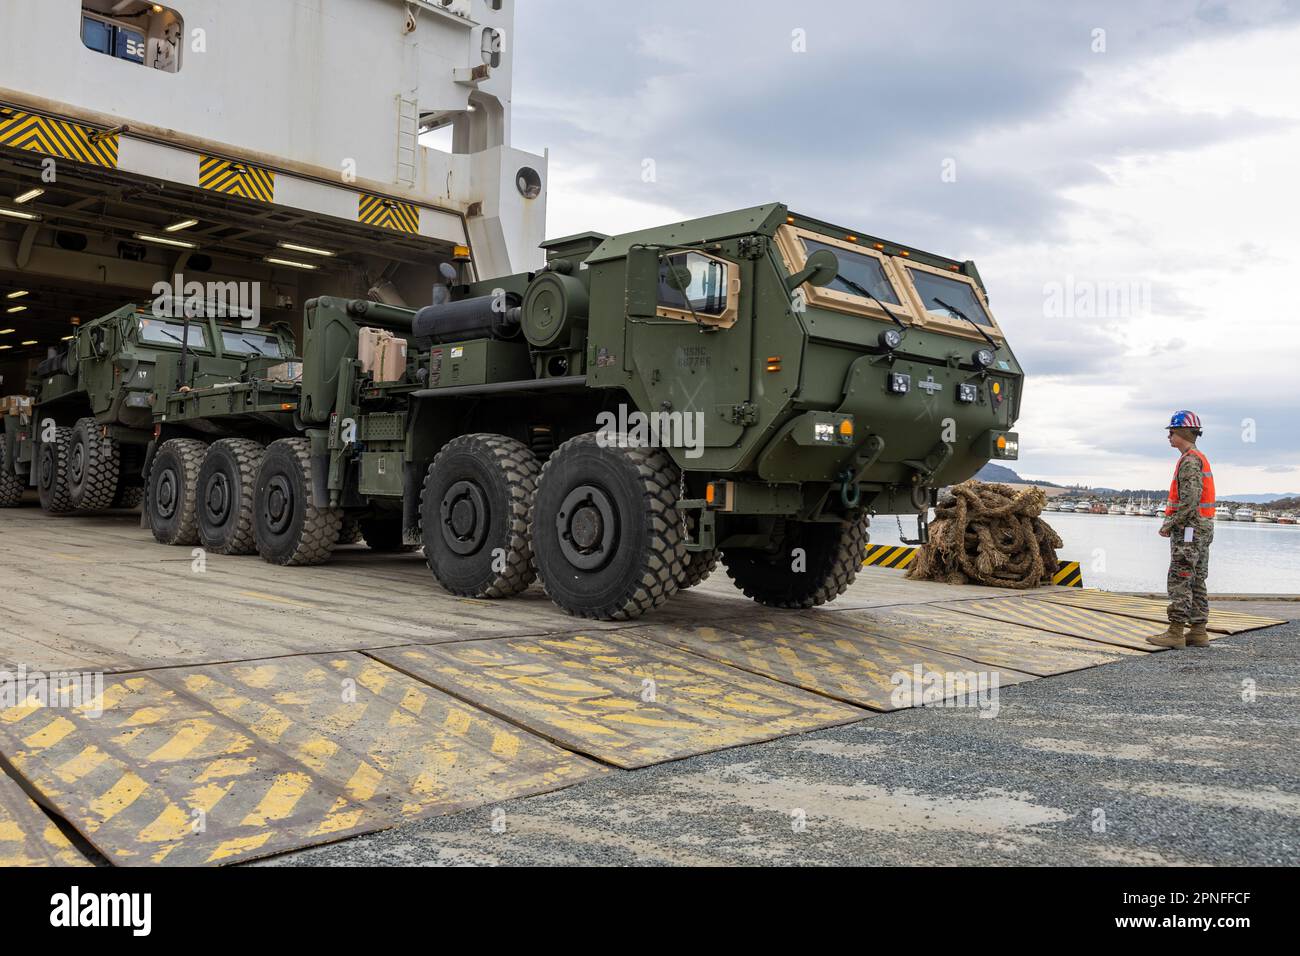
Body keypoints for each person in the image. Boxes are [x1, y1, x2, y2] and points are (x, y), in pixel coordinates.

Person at [1149, 411, 1215, 648]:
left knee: (1180, 576)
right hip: (1202, 528)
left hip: (1190, 529)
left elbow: (1190, 500)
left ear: (1183, 433)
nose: (1169, 436)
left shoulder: (1189, 460)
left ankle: (1176, 632)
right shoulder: (1199, 457)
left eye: (1172, 431)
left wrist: (1170, 523)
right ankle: (1198, 631)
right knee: (1197, 578)